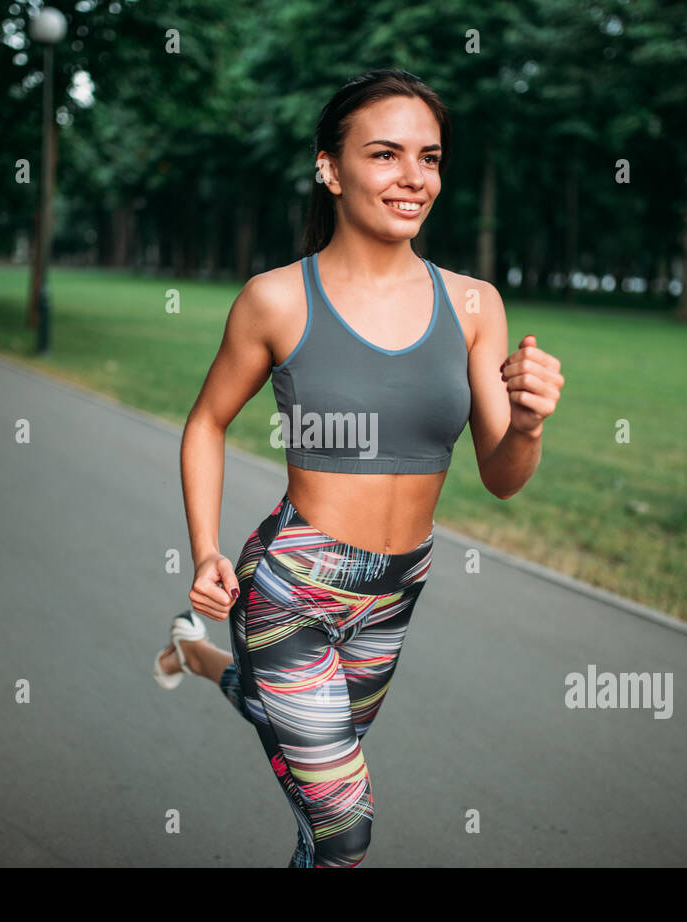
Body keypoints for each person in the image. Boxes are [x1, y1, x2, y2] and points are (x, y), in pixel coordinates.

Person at [154, 68, 565, 867]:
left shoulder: (474, 304)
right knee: (344, 828)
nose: (414, 177)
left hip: (397, 588)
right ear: (330, 168)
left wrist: (531, 423)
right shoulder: (276, 299)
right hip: (292, 582)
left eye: (430, 157)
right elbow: (206, 421)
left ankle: (198, 656)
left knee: (312, 747)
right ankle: (216, 651)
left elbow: (503, 472)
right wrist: (205, 547)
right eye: (385, 154)